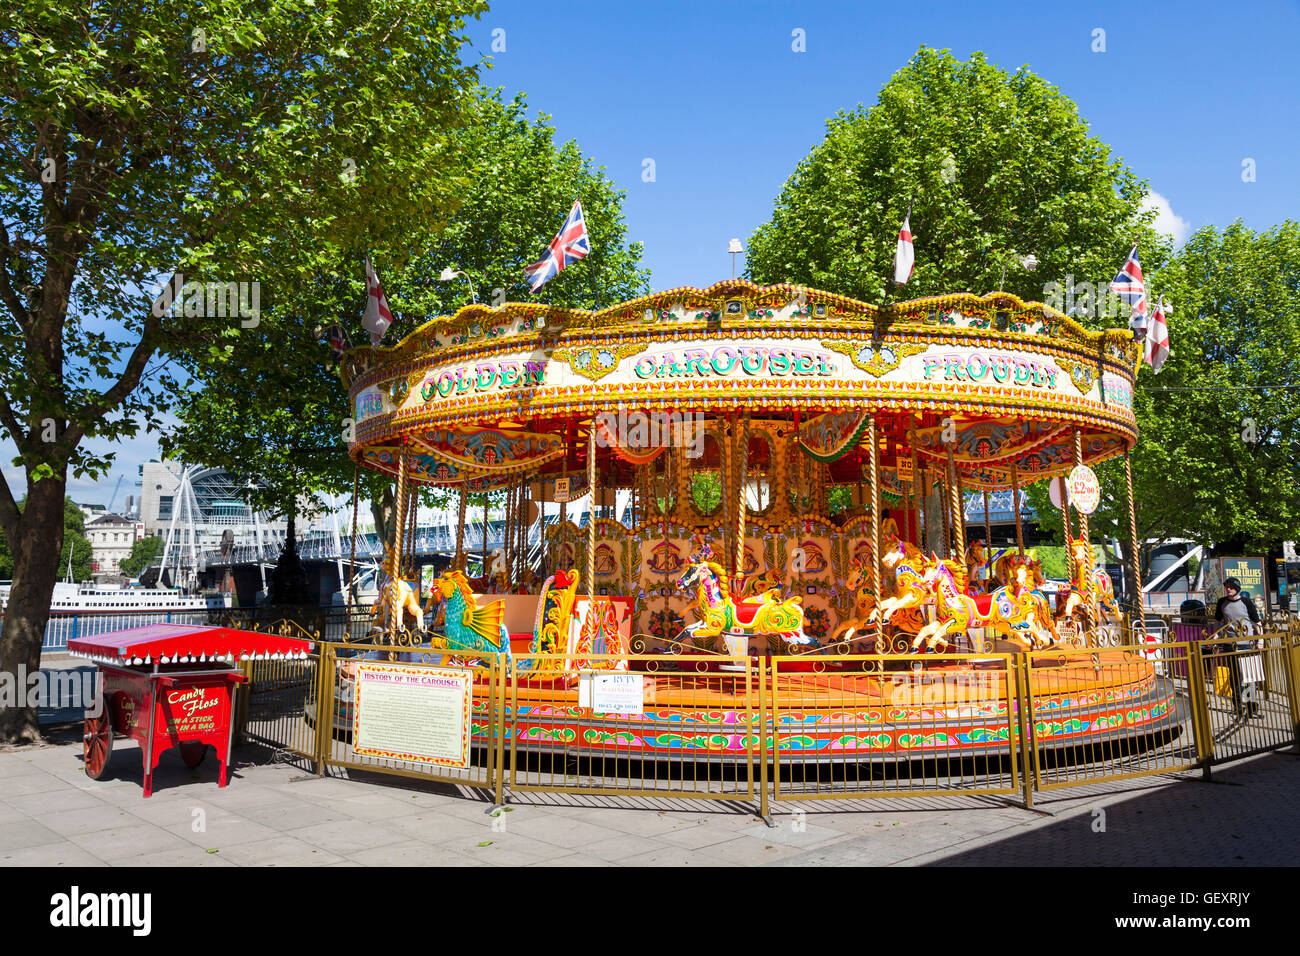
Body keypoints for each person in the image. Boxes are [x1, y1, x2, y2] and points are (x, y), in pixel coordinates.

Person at [1214, 577, 1261, 718]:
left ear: (1237, 588)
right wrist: (1216, 635)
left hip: (1246, 643)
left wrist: (1260, 641)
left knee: (1249, 675)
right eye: (1227, 586)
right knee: (1234, 675)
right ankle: (1238, 705)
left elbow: (1257, 621)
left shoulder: (1246, 602)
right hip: (1230, 644)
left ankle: (1251, 706)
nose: (1228, 589)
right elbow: (1217, 620)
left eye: (1231, 586)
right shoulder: (1222, 602)